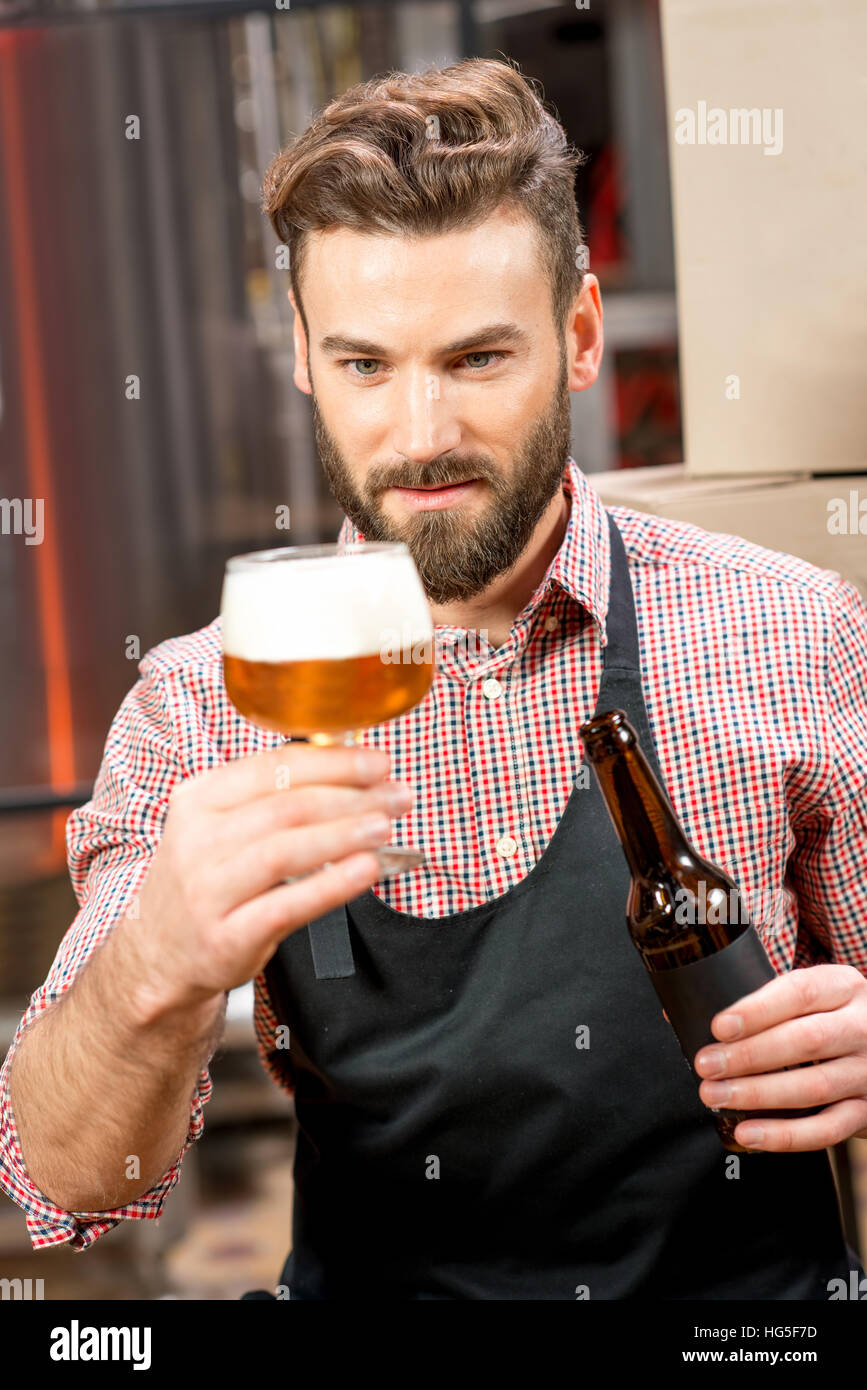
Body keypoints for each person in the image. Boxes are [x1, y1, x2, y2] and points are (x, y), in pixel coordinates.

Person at [2, 57, 866, 1301]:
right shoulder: (199, 707)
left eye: (474, 360)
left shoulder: (792, 630)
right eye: (364, 365)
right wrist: (155, 960)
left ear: (578, 335)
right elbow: (67, 1185)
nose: (418, 436)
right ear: (302, 354)